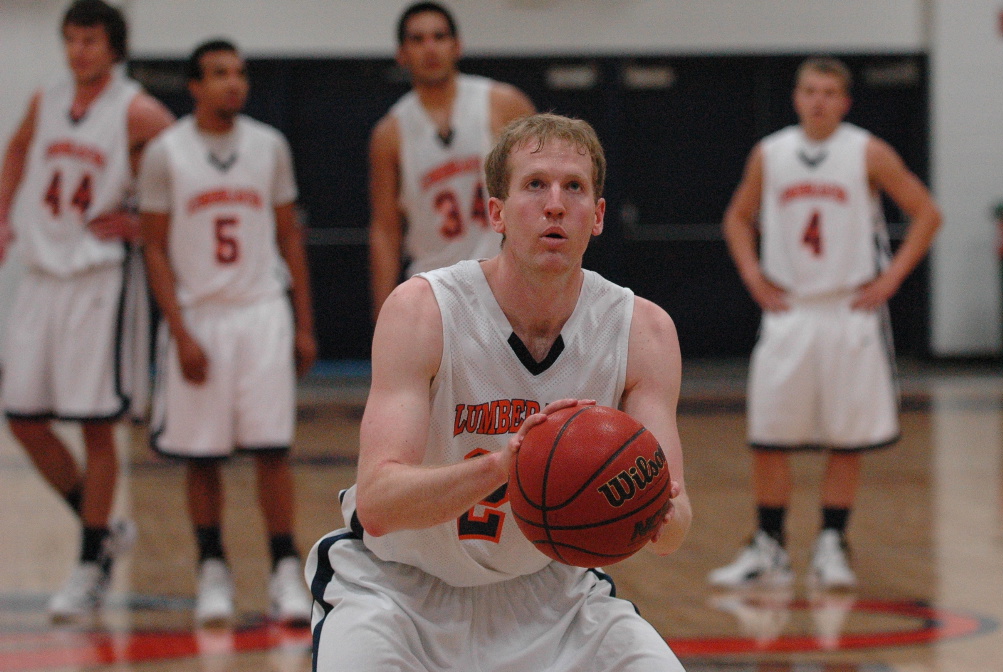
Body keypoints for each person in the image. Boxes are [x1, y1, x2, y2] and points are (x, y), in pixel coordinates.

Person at [307, 113, 693, 671]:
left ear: (599, 216)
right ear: (496, 212)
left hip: (552, 598)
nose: (555, 204)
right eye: (535, 185)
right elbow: (379, 501)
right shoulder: (424, 310)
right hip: (397, 593)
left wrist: (653, 508)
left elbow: (674, 529)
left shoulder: (643, 331)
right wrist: (506, 465)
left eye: (574, 188)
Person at [711, 56, 942, 590]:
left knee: (847, 437)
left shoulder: (867, 151)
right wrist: (752, 273)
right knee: (769, 434)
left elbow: (927, 212)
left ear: (845, 101)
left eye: (829, 91)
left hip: (848, 308)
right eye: (810, 90)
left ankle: (832, 543)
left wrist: (891, 279)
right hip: (790, 308)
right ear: (797, 97)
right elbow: (736, 217)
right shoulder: (770, 153)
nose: (818, 100)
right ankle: (768, 545)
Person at [0, 0, 174, 619]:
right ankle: (102, 531)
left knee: (96, 426)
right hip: (42, 275)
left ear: (114, 47)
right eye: (71, 38)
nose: (78, 50)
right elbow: (19, 150)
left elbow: (187, 168)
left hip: (99, 280)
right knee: (23, 417)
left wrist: (138, 221)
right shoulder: (45, 102)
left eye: (91, 40)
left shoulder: (136, 109)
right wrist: (2, 216)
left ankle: (87, 566)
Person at [138, 39, 317, 626]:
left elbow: (290, 237)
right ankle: (212, 568)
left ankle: (284, 569)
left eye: (238, 73)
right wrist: (180, 331)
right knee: (202, 457)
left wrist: (304, 325)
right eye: (218, 74)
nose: (232, 83)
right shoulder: (166, 152)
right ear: (194, 86)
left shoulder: (270, 146)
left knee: (272, 452)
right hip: (201, 316)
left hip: (262, 311)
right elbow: (155, 249)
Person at [368, 1, 535, 320]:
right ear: (401, 54)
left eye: (439, 36)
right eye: (417, 40)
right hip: (434, 288)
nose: (430, 48)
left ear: (457, 46)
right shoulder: (389, 133)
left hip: (504, 281)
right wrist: (383, 314)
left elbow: (545, 190)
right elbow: (386, 230)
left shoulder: (503, 104)